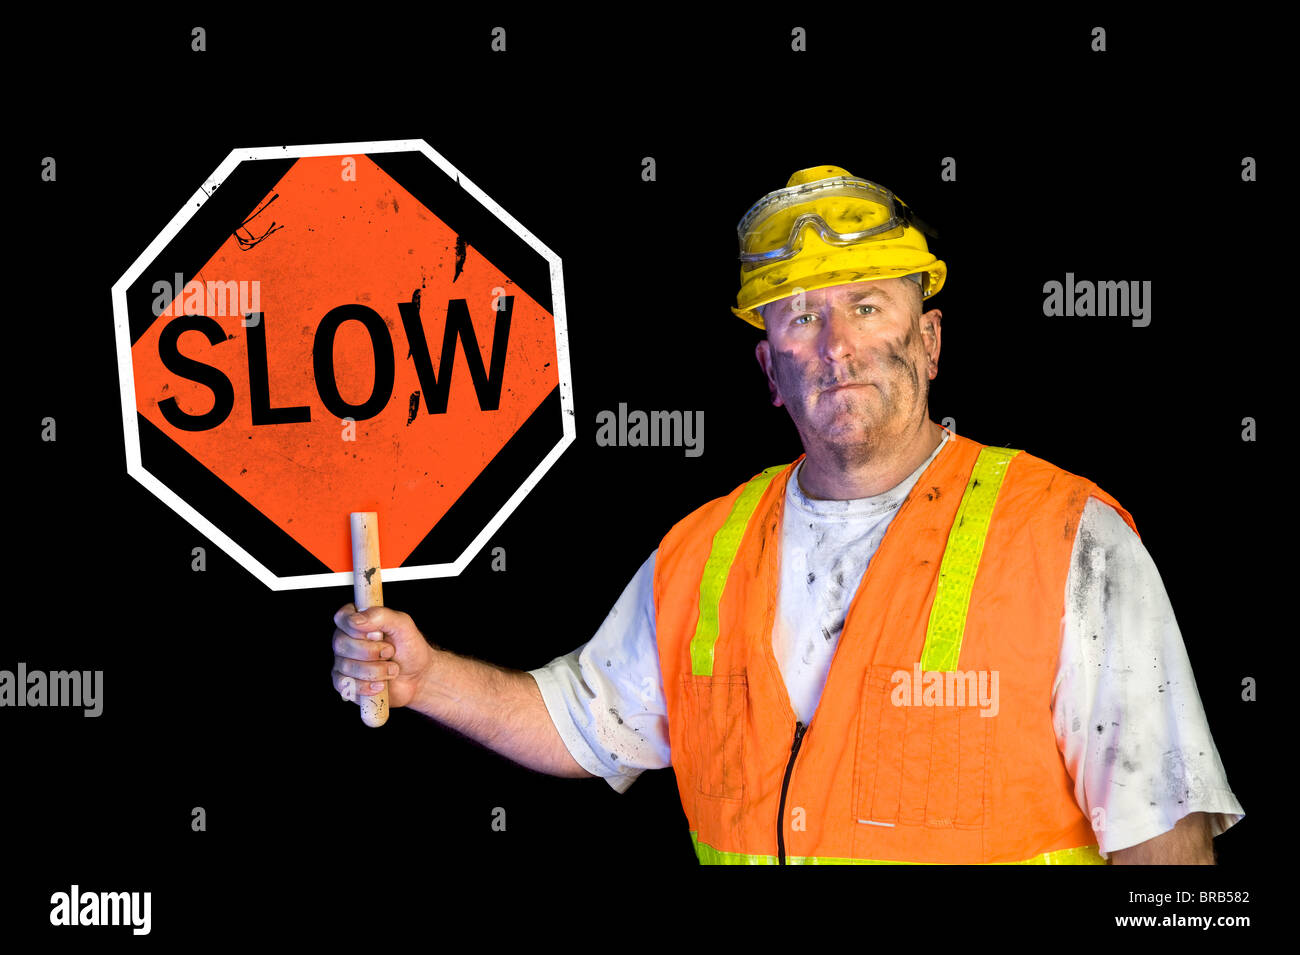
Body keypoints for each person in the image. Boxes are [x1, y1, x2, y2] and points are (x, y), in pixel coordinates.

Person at [331, 166, 1244, 865]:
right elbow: (582, 718)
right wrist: (423, 676)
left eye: (867, 305)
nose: (837, 345)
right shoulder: (703, 550)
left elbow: (1164, 837)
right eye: (799, 320)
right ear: (770, 372)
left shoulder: (1067, 537)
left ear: (928, 339)